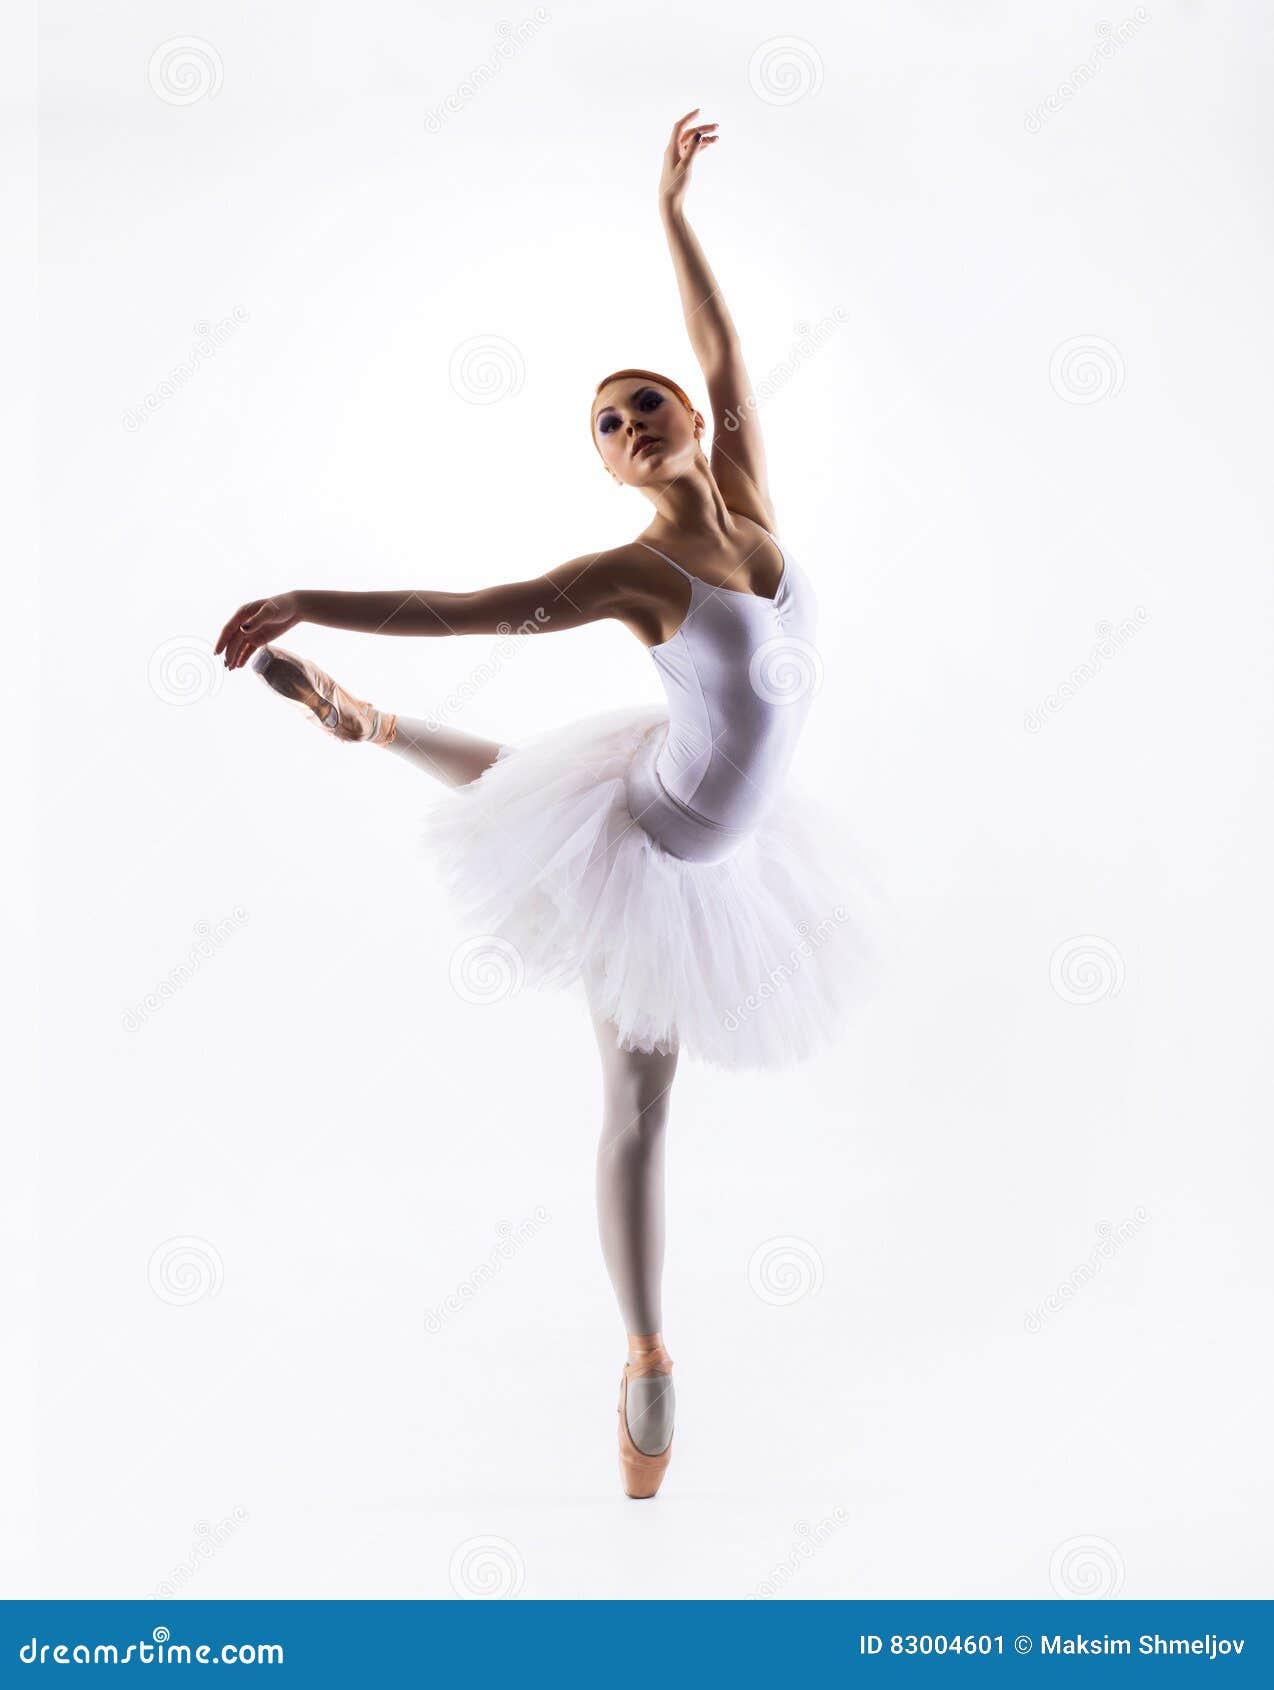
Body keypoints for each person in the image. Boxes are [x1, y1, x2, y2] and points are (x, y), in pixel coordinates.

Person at [216, 109, 860, 1500]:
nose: (634, 421)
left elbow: (724, 347)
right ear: (613, 465)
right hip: (667, 842)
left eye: (646, 402)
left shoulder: (746, 493)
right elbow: (480, 608)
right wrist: (313, 597)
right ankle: (643, 1353)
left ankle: (370, 727)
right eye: (608, 425)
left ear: (691, 422)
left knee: (541, 790)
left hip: (702, 818)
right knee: (640, 1101)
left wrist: (671, 211)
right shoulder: (640, 573)